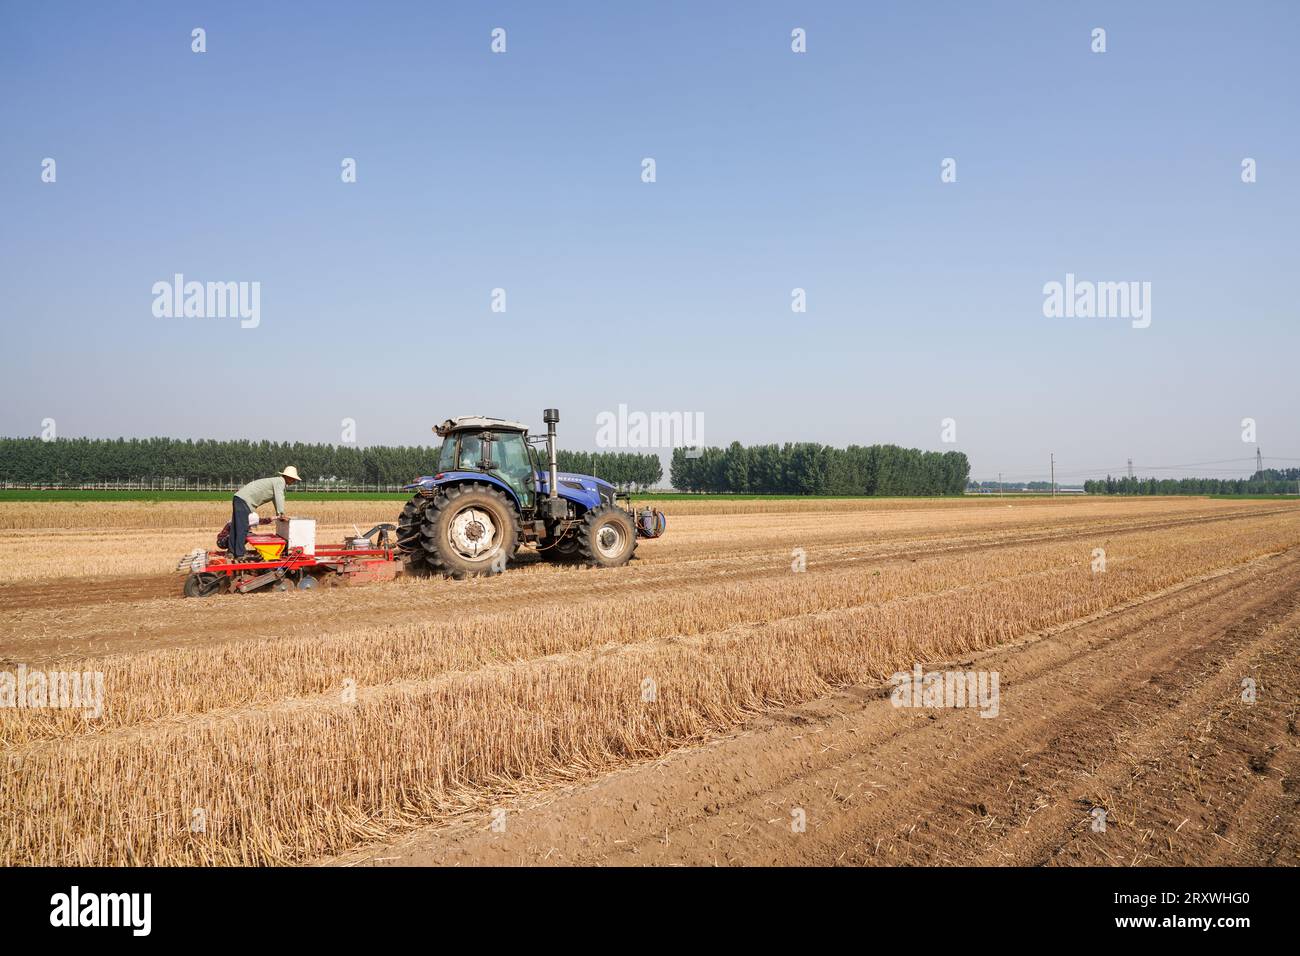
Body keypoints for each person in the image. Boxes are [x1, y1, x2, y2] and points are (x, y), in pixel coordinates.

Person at [230, 466, 301, 560]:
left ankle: (231, 552)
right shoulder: (280, 482)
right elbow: (279, 497)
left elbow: (276, 499)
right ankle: (240, 554)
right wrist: (281, 514)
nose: (293, 481)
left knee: (236, 526)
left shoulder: (276, 481)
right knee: (242, 527)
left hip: (239, 497)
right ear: (288, 477)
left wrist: (279, 514)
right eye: (293, 479)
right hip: (245, 500)